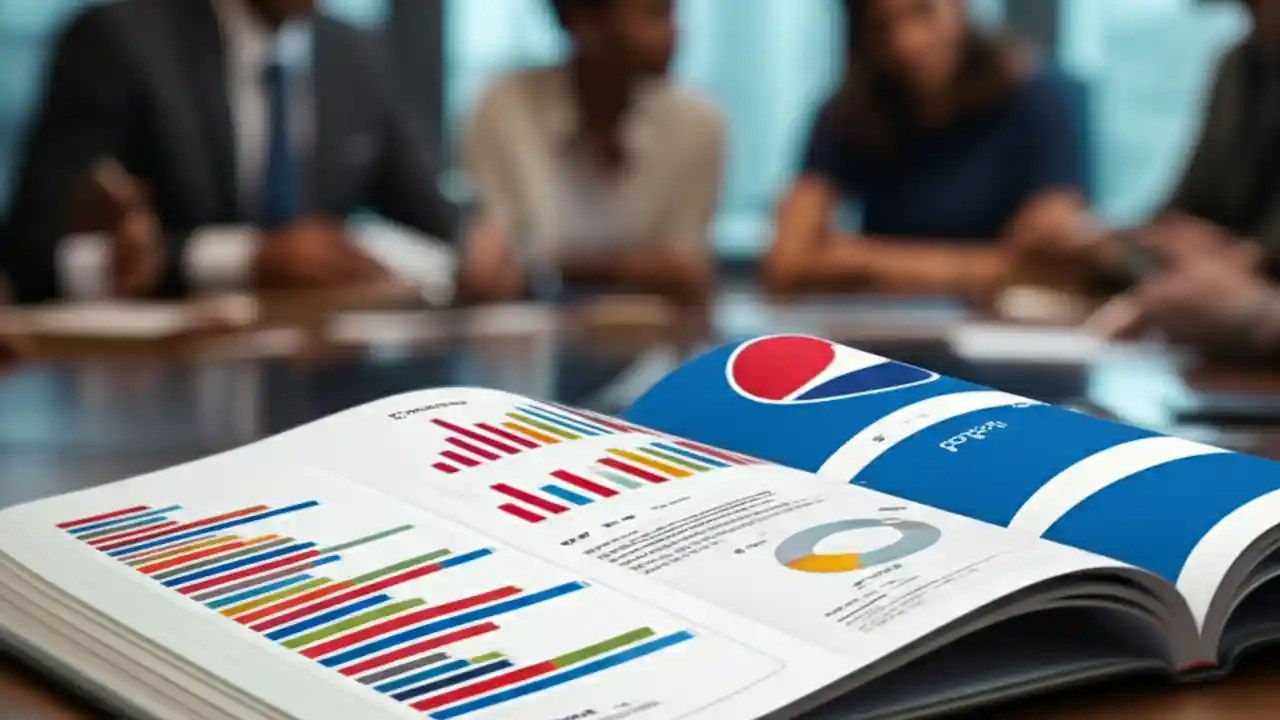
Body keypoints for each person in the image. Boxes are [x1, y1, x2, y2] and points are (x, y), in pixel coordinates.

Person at [3, 0, 467, 303]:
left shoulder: (353, 53)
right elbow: (35, 246)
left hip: (315, 373)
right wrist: (245, 258)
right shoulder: (118, 40)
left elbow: (431, 208)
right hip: (152, 389)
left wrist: (478, 245)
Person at [764, 0, 1098, 296]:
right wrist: (982, 268)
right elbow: (788, 263)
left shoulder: (1040, 95)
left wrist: (857, 259)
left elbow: (1053, 266)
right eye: (882, 27)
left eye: (923, 11)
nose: (907, 42)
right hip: (883, 338)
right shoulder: (850, 109)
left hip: (1007, 339)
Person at [459, 0, 723, 303]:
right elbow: (498, 263)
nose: (674, 33)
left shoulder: (697, 124)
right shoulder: (504, 108)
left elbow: (685, 272)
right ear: (585, 23)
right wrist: (636, 269)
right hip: (526, 338)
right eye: (654, 15)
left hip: (654, 343)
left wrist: (562, 267)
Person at [1131, 0, 1280, 275]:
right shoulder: (1238, 64)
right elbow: (1189, 203)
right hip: (1214, 284)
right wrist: (1111, 238)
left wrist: (1243, 255)